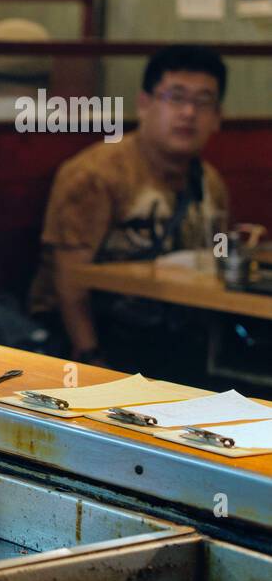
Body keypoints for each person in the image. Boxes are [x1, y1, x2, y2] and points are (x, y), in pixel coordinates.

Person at [29, 45, 230, 373]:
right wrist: (90, 356)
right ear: (145, 104)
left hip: (180, 342)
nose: (189, 113)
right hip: (99, 342)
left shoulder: (211, 182)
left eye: (203, 101)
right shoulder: (94, 174)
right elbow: (67, 278)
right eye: (175, 97)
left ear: (217, 116)